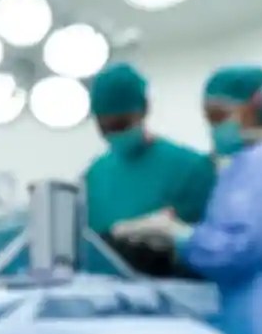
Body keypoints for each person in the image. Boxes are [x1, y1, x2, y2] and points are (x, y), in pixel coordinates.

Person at [111, 66, 262, 334]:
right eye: (209, 118)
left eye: (219, 117)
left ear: (254, 109)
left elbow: (240, 248)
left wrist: (179, 234)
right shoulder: (254, 162)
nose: (213, 127)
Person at [83, 63, 217, 278]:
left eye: (122, 124)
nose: (114, 132)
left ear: (144, 109)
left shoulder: (191, 168)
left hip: (177, 298)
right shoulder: (94, 175)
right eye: (105, 126)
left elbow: (215, 250)